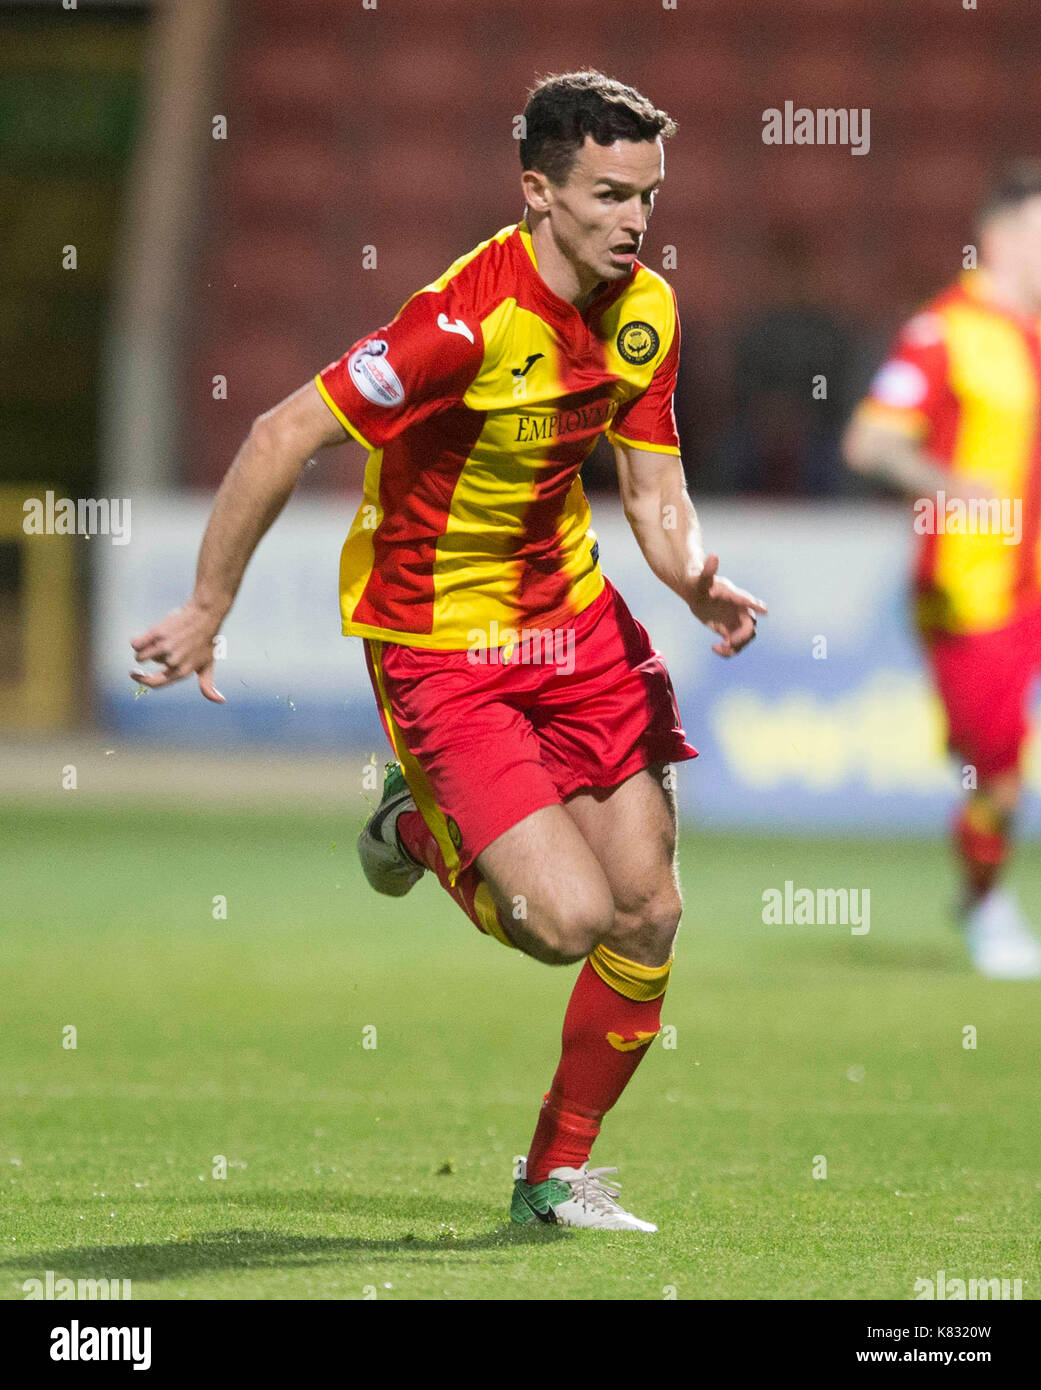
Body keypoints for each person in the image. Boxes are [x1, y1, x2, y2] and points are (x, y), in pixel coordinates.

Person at [131, 71, 766, 1230]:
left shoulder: (644, 309)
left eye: (650, 198)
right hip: (439, 640)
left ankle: (551, 1180)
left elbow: (655, 488)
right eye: (612, 196)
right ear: (537, 190)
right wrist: (208, 606)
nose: (637, 222)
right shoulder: (458, 322)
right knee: (563, 921)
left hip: (574, 628)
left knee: (651, 913)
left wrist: (694, 578)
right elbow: (282, 433)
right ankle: (409, 824)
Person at [844, 161, 1041, 980]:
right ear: (997, 237)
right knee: (996, 771)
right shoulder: (941, 333)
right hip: (970, 591)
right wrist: (949, 484)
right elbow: (869, 442)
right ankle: (985, 902)